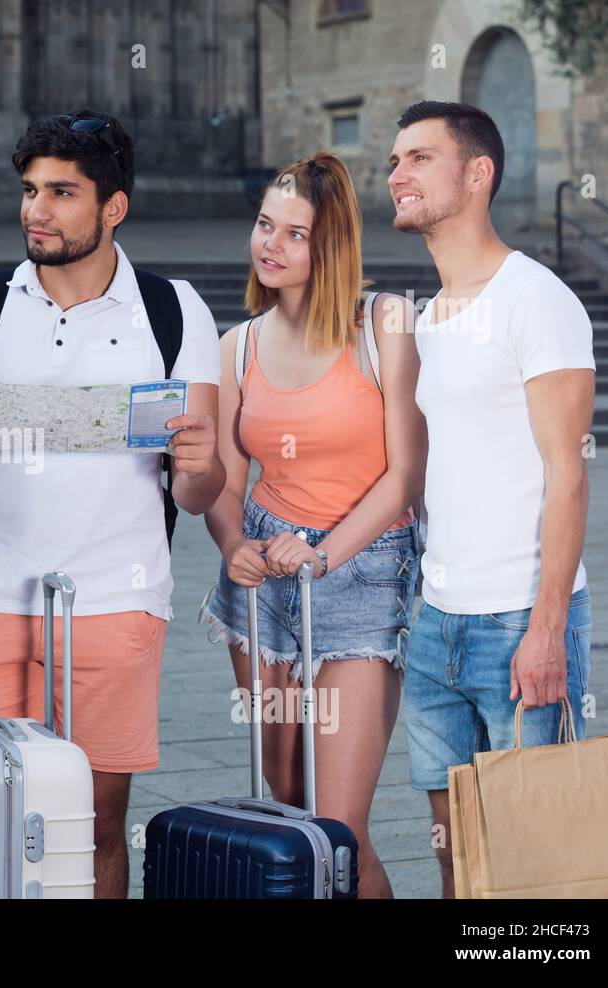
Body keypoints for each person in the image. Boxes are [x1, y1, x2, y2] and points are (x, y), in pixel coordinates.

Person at [0, 109, 226, 899]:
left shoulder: (173, 308)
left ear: (112, 207)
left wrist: (202, 463)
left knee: (94, 824)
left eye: (61, 192)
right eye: (29, 191)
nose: (36, 211)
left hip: (116, 600)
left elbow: (197, 494)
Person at [202, 151, 427, 898]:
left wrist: (324, 554)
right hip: (266, 577)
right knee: (284, 808)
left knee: (338, 832)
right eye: (266, 225)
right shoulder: (238, 347)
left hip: (358, 574)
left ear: (328, 246)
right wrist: (235, 544)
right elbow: (228, 485)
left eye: (295, 234)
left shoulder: (383, 324)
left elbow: (403, 479)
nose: (271, 244)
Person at [388, 100, 595, 898]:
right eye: (396, 160)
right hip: (436, 621)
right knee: (456, 855)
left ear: (478, 175)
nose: (398, 174)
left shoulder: (535, 300)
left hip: (520, 622)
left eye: (419, 158)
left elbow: (568, 473)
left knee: (529, 863)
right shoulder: (433, 316)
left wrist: (546, 629)